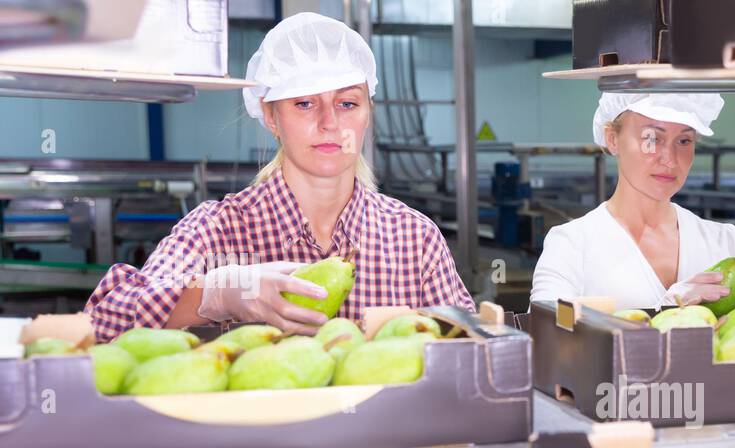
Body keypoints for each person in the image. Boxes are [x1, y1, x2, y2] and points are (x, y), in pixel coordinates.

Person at [84, 12, 473, 341]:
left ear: (367, 112)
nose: (329, 123)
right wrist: (218, 293)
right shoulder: (217, 230)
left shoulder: (413, 239)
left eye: (347, 103)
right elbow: (100, 325)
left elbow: (467, 347)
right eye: (304, 103)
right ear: (270, 116)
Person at [531, 93, 735, 312]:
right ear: (612, 139)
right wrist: (664, 311)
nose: (670, 159)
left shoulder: (726, 243)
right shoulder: (572, 245)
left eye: (684, 140)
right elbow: (548, 339)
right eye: (651, 138)